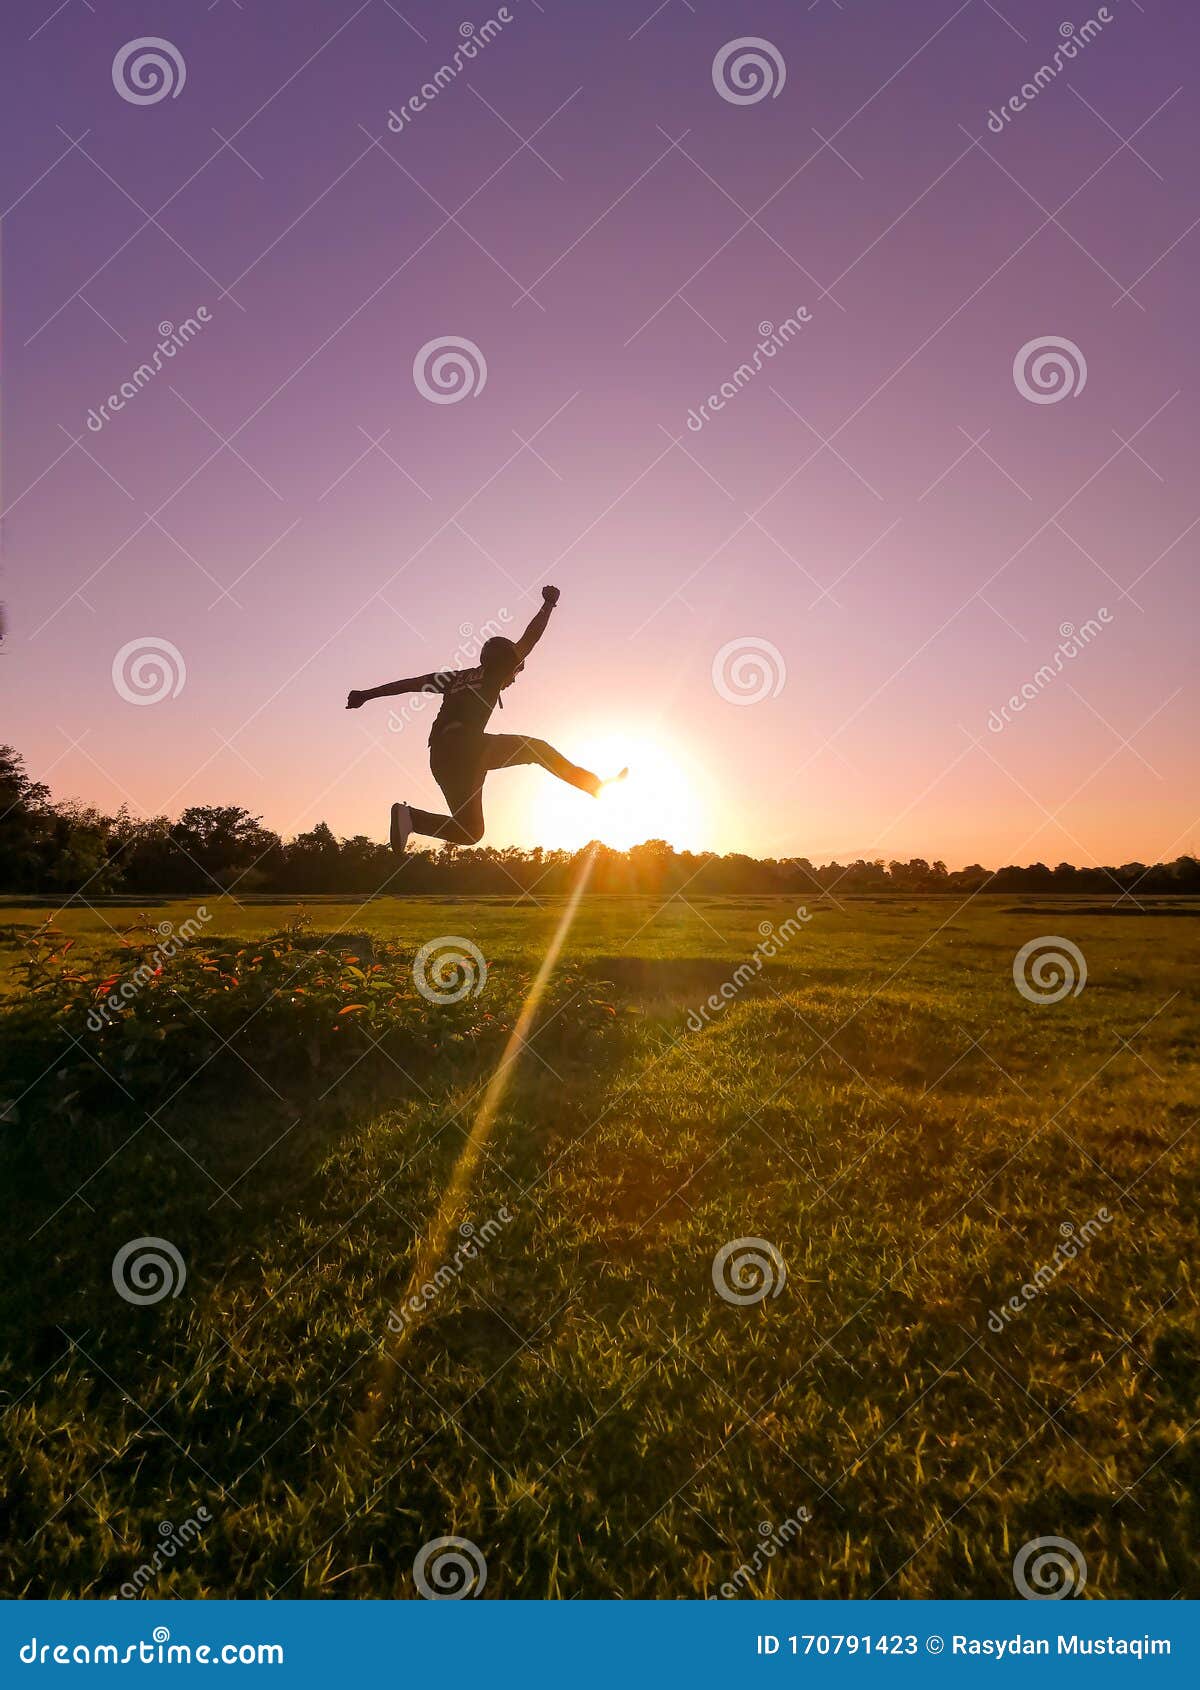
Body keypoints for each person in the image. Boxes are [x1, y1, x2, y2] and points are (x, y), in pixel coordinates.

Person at [346, 586, 626, 852]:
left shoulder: (453, 677)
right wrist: (548, 605)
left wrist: (367, 695)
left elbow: (409, 684)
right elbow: (529, 640)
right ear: (506, 662)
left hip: (441, 759)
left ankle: (410, 818)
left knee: (470, 832)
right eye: (515, 672)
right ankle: (596, 786)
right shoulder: (495, 670)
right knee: (535, 749)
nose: (513, 679)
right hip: (466, 747)